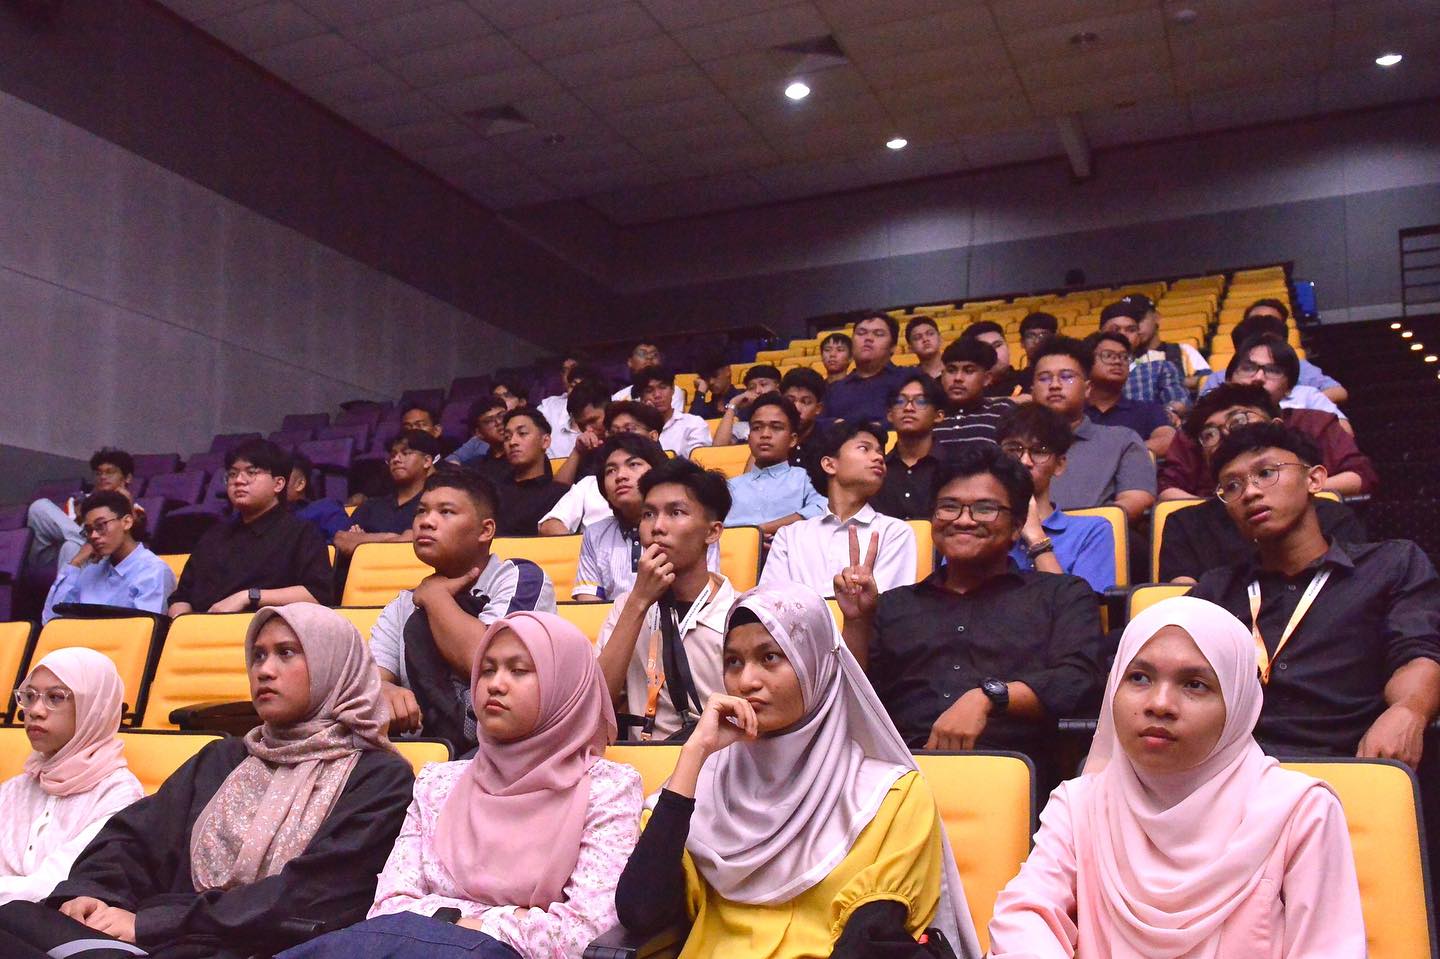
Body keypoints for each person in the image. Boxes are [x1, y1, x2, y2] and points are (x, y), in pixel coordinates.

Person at [0, 604, 414, 959]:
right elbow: (133, 839)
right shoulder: (225, 757)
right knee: (14, 916)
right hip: (161, 940)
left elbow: (312, 895)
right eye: (257, 655)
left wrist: (150, 924)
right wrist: (95, 894)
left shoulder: (379, 777)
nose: (265, 670)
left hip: (261, 945)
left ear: (333, 664)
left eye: (286, 653)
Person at [614, 585, 982, 959]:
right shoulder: (704, 788)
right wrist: (694, 753)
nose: (746, 682)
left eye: (770, 657)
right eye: (734, 662)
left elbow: (869, 941)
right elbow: (640, 912)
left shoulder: (891, 797)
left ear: (816, 665)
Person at [987, 596, 1365, 958]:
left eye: (1194, 684)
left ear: (1237, 704)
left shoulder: (1300, 812)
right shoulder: (1080, 805)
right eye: (1138, 678)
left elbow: (1328, 949)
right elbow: (1025, 915)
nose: (1159, 704)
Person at [283, 612, 643, 959]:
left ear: (565, 685)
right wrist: (502, 919)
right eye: (486, 670)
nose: (495, 684)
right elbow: (388, 906)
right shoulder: (438, 782)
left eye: (518, 670)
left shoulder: (608, 789)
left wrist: (451, 918)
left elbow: (585, 932)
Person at [834, 445, 1101, 784]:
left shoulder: (1060, 594)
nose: (963, 520)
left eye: (985, 509)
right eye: (948, 507)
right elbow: (851, 702)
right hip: (897, 781)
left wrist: (990, 696)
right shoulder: (891, 606)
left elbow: (1081, 681)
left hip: (1015, 779)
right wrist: (857, 622)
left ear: (1017, 526)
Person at [1187, 423, 1440, 764]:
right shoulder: (1215, 591)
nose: (1249, 493)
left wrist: (1409, 710)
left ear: (1315, 479)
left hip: (1350, 763)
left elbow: (1416, 652)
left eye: (1265, 472)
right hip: (1232, 770)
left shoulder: (1390, 564)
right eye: (1232, 486)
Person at [371, 469, 557, 752]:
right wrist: (384, 690)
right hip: (424, 751)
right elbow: (369, 682)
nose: (426, 522)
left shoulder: (521, 577)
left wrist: (435, 597)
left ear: (486, 530)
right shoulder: (402, 604)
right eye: (421, 511)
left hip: (507, 748)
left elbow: (484, 663)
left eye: (445, 512)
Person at [596, 459, 735, 741]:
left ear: (712, 532)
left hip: (720, 765)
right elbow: (596, 704)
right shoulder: (627, 606)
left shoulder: (740, 613)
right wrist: (639, 601)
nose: (657, 527)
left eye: (676, 512)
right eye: (648, 514)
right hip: (643, 765)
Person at [0, 649, 143, 905]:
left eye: (55, 697)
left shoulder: (119, 795)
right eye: (29, 697)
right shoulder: (17, 788)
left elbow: (56, 884)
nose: (35, 711)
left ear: (94, 708)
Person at [167, 439, 332, 615]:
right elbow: (181, 597)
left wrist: (249, 597)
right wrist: (182, 622)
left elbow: (318, 595)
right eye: (232, 474)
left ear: (278, 484)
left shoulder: (302, 533)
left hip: (265, 634)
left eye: (251, 472)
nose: (238, 481)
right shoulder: (213, 536)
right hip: (200, 635)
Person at [761, 421, 916, 597]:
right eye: (865, 448)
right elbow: (770, 604)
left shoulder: (895, 532)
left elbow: (891, 609)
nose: (879, 458)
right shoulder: (790, 536)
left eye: (880, 452)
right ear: (829, 465)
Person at [1158, 383, 1377, 501]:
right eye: (1211, 433)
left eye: (1238, 421)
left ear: (1276, 425)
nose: (1226, 435)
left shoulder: (1320, 511)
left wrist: (1289, 493)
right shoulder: (1202, 524)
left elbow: (1360, 476)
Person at [572, 435, 721, 604]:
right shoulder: (595, 533)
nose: (620, 476)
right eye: (610, 470)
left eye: (633, 464)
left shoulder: (692, 526)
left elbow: (700, 595)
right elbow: (588, 605)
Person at [1031, 337, 1156, 523]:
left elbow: (1137, 499)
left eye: (1066, 377)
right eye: (1044, 378)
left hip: (1098, 539)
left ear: (1088, 388)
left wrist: (1083, 528)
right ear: (1032, 390)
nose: (1054, 385)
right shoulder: (1014, 444)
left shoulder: (1122, 439)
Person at [999, 406, 1117, 595]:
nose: (1024, 461)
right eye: (1014, 449)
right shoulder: (976, 524)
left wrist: (1036, 538)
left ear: (1059, 465)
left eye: (1039, 451)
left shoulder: (1091, 531)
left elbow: (1078, 614)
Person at [41, 490, 175, 622]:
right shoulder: (90, 571)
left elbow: (145, 634)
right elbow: (51, 621)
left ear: (127, 522)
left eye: (101, 525)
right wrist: (75, 563)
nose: (93, 536)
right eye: (88, 530)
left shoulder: (153, 572)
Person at [540, 401, 666, 535]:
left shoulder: (672, 483)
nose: (621, 437)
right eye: (614, 432)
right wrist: (590, 550)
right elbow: (550, 525)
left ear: (653, 436)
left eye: (629, 429)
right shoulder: (590, 484)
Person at [1201, 300, 1348, 405]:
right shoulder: (1218, 377)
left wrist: (1299, 405)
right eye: (1256, 321)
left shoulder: (1301, 368)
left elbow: (1339, 392)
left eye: (1270, 322)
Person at [27, 448, 143, 572]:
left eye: (110, 472)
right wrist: (80, 518)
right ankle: (87, 540)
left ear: (127, 478)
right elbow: (60, 533)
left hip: (97, 560)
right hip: (55, 557)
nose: (103, 477)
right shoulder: (78, 501)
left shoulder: (134, 507)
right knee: (39, 506)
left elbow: (135, 535)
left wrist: (126, 502)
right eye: (98, 473)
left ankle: (65, 589)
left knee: (71, 546)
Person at [723, 394, 825, 535]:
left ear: (792, 439)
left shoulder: (806, 479)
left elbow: (820, 510)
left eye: (776, 427)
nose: (765, 434)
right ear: (749, 437)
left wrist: (757, 533)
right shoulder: (729, 487)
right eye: (757, 428)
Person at [333, 430, 439, 561]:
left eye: (405, 453)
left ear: (427, 461)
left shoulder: (436, 503)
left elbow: (417, 538)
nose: (396, 459)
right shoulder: (371, 505)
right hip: (368, 577)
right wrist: (396, 537)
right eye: (393, 455)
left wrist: (363, 540)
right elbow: (341, 540)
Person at [1227, 334, 1350, 429]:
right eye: (1248, 368)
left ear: (1289, 389)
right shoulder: (1211, 421)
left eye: (1273, 371)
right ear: (1228, 379)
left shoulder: (1313, 425)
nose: (1258, 378)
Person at [1083, 331, 1174, 457]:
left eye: (1124, 357)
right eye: (1108, 355)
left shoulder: (1147, 409)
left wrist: (1116, 454)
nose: (1118, 361)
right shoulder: (1074, 412)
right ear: (1087, 363)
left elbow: (1167, 440)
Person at [871, 373, 945, 521]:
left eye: (921, 401)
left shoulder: (953, 467)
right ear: (890, 415)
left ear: (939, 416)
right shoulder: (876, 470)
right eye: (900, 401)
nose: (908, 408)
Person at [1097, 300, 1188, 411]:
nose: (1123, 335)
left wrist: (1164, 415)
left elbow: (1179, 401)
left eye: (1131, 330)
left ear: (1137, 335)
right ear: (1101, 333)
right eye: (1115, 329)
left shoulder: (1160, 368)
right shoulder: (1086, 370)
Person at [931, 337, 1015, 455]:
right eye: (951, 370)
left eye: (969, 371)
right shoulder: (930, 414)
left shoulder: (1002, 410)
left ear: (987, 379)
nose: (958, 378)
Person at [492, 408, 567, 536]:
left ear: (545, 441)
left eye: (522, 433)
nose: (512, 442)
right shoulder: (493, 491)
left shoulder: (560, 494)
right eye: (507, 437)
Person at [825, 314, 910, 423]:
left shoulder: (909, 379)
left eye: (878, 334)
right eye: (861, 333)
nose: (868, 338)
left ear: (893, 347)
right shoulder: (835, 390)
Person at [1124, 292, 1211, 392]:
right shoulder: (1119, 360)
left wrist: (1171, 382)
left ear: (1156, 317)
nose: (1134, 326)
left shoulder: (1182, 351)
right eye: (1128, 322)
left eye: (1139, 319)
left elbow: (1209, 381)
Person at [632, 366, 712, 459]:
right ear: (641, 397)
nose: (657, 395)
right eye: (649, 391)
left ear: (673, 389)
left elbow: (699, 463)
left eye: (662, 387)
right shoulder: (634, 431)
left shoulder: (693, 423)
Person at [287, 452, 353, 544]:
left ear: (300, 484)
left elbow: (346, 543)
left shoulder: (325, 509)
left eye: (282, 479)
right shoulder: (267, 515)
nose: (276, 484)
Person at [710, 364, 782, 445]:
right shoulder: (743, 427)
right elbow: (718, 448)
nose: (758, 390)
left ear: (777, 387)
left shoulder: (790, 418)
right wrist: (733, 404)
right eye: (752, 388)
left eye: (763, 384)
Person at [547, 380, 612, 460]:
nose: (588, 430)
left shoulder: (628, 435)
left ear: (610, 410)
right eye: (581, 425)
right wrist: (577, 451)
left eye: (593, 420)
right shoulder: (582, 448)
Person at [612, 341, 683, 414]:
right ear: (630, 362)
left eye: (654, 355)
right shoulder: (619, 397)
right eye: (642, 354)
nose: (649, 358)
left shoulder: (672, 392)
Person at [446, 397, 508, 474]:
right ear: (478, 433)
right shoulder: (477, 469)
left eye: (502, 415)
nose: (499, 422)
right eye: (489, 421)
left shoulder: (524, 455)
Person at [537, 360, 601, 434]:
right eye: (573, 386)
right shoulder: (549, 404)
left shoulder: (603, 406)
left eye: (573, 368)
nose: (576, 392)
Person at [781, 368, 828, 468]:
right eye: (790, 401)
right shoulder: (770, 435)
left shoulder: (830, 438)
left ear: (818, 408)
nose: (797, 409)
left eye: (805, 402)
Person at [961, 320, 1021, 398]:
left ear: (1008, 347)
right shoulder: (966, 392)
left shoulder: (1029, 380)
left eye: (998, 345)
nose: (994, 353)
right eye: (985, 348)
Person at [1016, 311, 1059, 393]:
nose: (1037, 341)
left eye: (1043, 335)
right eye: (1031, 336)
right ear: (1022, 342)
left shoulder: (1062, 375)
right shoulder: (1016, 380)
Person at [905, 315, 945, 381]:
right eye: (918, 337)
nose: (925, 339)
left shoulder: (956, 371)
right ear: (910, 348)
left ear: (940, 338)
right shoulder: (911, 380)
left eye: (930, 334)